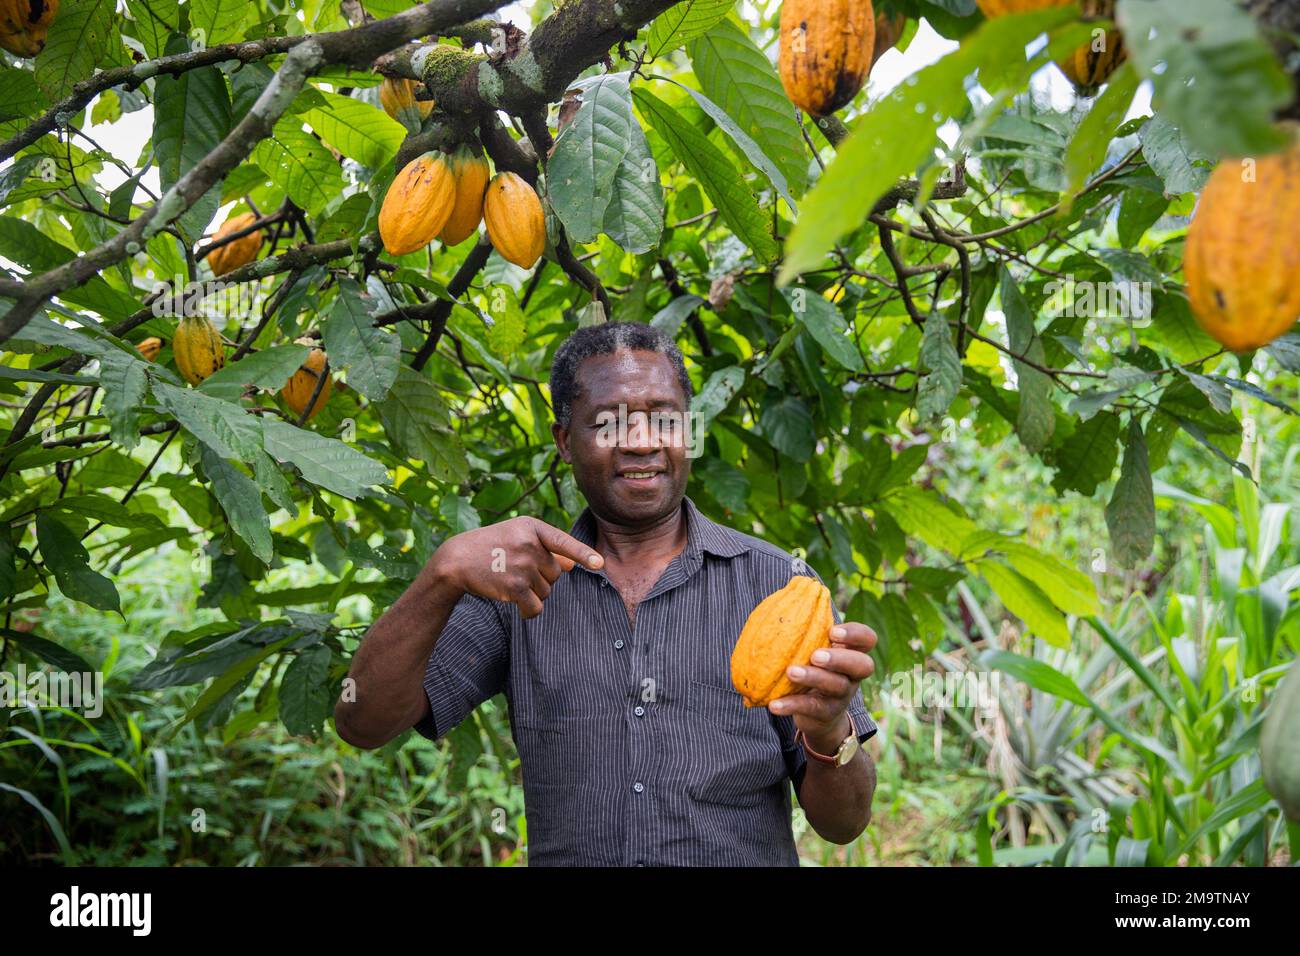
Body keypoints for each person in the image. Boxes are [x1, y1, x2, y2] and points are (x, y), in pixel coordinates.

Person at [335, 322, 879, 865]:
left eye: (663, 418)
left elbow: (844, 824)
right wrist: (443, 572)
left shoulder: (780, 585)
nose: (642, 442)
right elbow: (362, 722)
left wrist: (830, 731)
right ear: (565, 442)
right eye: (609, 422)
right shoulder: (518, 585)